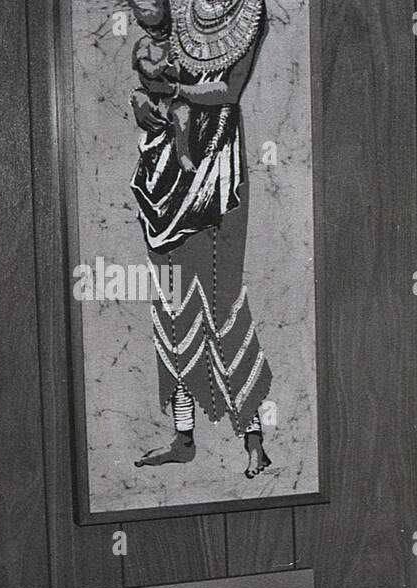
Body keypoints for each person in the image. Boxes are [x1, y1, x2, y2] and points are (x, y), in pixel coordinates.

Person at [127, 0, 275, 478]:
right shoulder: (178, 8)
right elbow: (153, 49)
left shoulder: (250, 11)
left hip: (216, 164)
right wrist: (143, 100)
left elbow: (227, 92)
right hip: (165, 163)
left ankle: (254, 437)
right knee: (171, 298)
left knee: (220, 298)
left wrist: (172, 88)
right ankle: (183, 436)